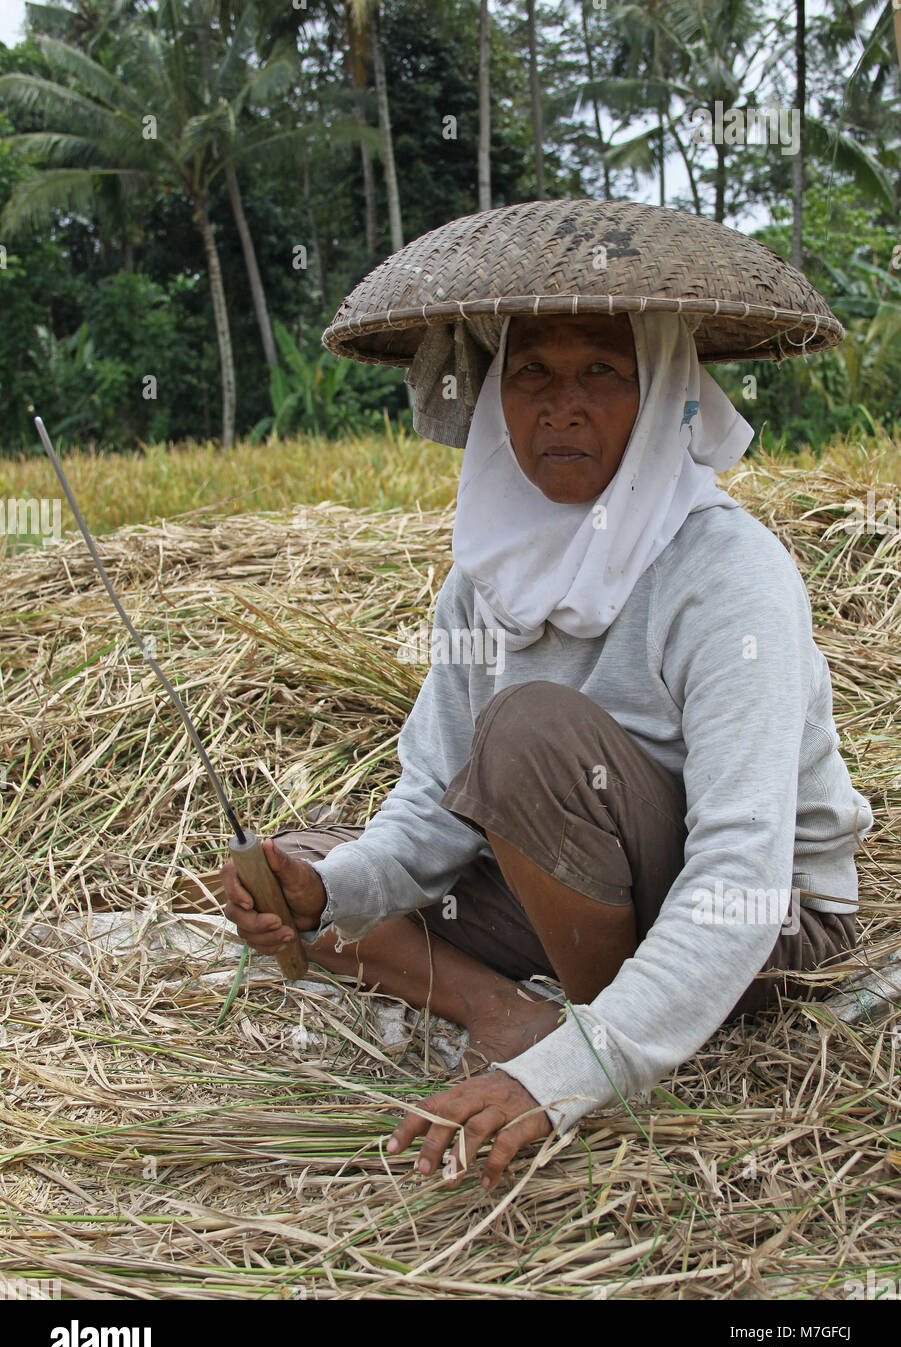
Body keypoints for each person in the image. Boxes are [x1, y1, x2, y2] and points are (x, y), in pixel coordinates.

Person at [221, 307, 873, 1191]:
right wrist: (330, 890)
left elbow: (741, 868)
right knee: (293, 870)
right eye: (531, 375)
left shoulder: (727, 574)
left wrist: (568, 1079)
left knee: (528, 730)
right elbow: (431, 802)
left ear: (660, 398)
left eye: (600, 374)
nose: (560, 408)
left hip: (761, 917)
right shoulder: (483, 575)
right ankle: (502, 1008)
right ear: (496, 398)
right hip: (562, 882)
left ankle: (595, 1031)